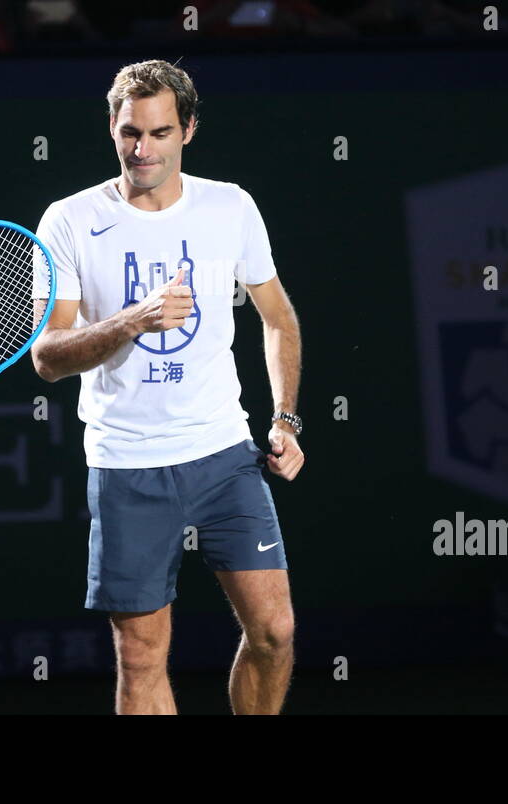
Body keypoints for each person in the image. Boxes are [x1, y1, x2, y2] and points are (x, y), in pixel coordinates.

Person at [30, 59, 304, 715]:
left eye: (157, 134)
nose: (141, 149)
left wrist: (285, 420)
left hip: (223, 455)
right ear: (112, 128)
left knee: (275, 631)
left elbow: (278, 319)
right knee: (142, 656)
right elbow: (47, 357)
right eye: (129, 133)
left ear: (188, 130)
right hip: (127, 463)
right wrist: (135, 318)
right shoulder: (68, 220)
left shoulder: (231, 206)